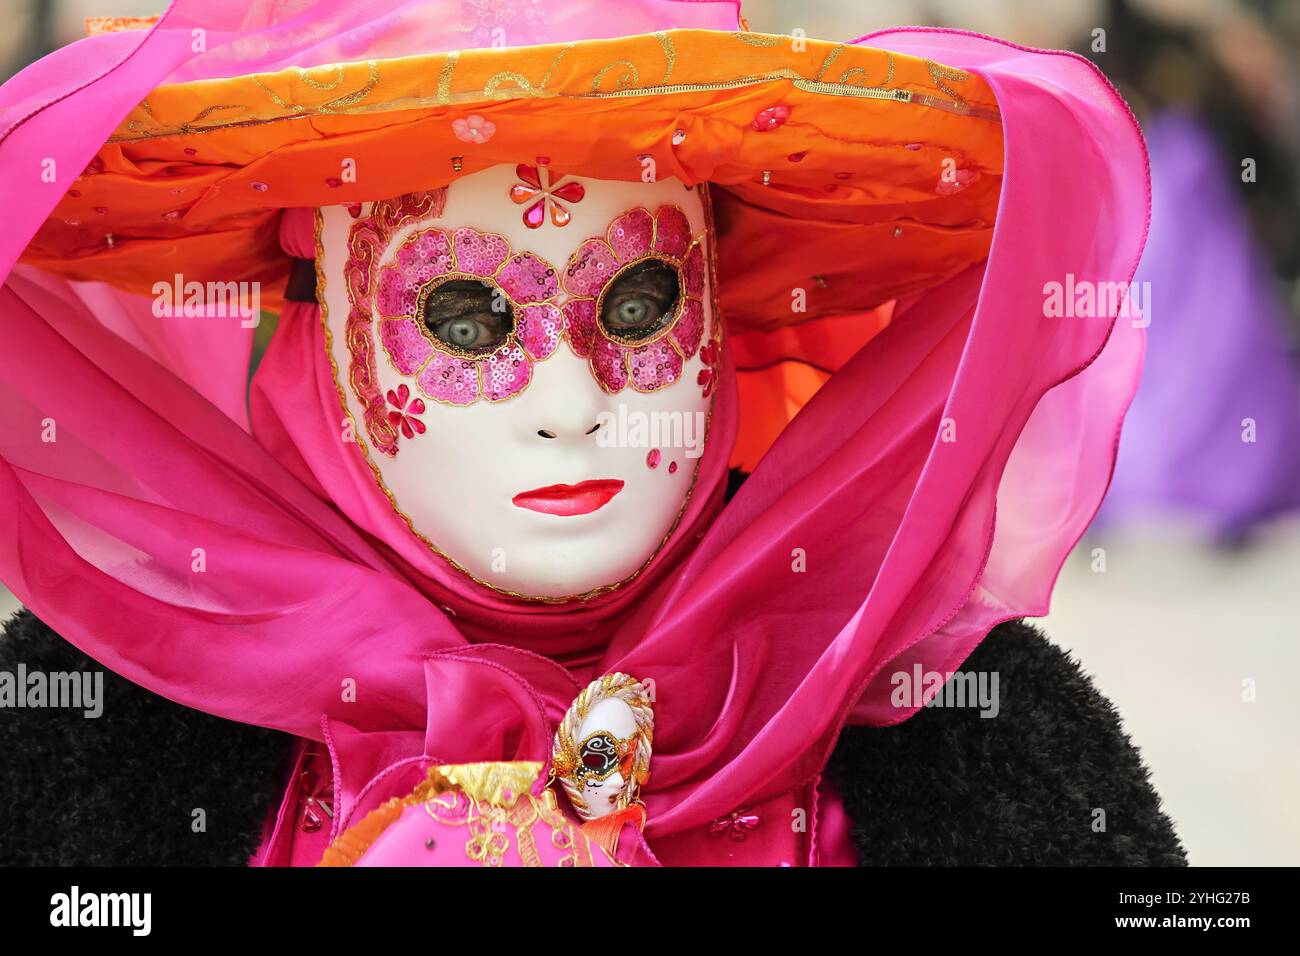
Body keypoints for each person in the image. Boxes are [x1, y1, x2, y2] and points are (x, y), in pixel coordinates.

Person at [0, 0, 1182, 866]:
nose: (570, 401)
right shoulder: (98, 717)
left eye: (636, 304)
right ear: (324, 341)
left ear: (715, 313)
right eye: (464, 316)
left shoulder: (962, 724)